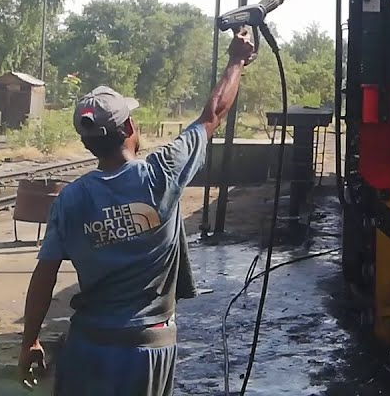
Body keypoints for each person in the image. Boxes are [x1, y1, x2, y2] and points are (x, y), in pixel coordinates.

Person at [18, 28, 257, 395]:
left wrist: (29, 341)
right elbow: (214, 114)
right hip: (146, 347)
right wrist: (236, 60)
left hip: (87, 345)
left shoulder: (70, 199)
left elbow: (44, 275)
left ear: (86, 142)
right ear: (129, 126)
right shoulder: (162, 172)